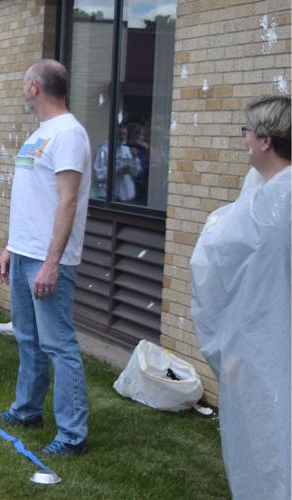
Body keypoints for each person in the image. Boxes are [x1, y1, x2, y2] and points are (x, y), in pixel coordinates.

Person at [190, 95, 290, 500]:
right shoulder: (261, 193)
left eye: (246, 132)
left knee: (276, 437)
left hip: (273, 349)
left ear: (266, 140)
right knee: (261, 439)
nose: (243, 140)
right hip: (253, 348)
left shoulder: (281, 201)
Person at [0, 59, 91, 457]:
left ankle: (72, 434)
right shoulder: (42, 134)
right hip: (24, 252)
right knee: (28, 338)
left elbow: (67, 202)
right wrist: (11, 246)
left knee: (59, 344)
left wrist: (52, 262)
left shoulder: (68, 134)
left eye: (23, 82)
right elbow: (34, 200)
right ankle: (27, 410)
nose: (22, 89)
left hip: (49, 259)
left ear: (35, 87)